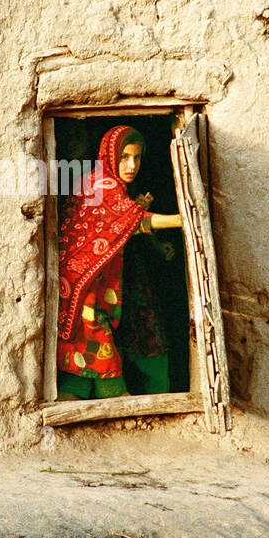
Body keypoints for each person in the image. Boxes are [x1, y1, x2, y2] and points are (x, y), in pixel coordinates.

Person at [55, 125, 182, 400]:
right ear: (111, 156)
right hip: (84, 292)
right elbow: (135, 222)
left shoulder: (105, 184)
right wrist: (181, 219)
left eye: (137, 158)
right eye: (124, 157)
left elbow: (123, 221)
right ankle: (127, 409)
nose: (132, 165)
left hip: (90, 290)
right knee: (103, 358)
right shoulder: (102, 184)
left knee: (79, 372)